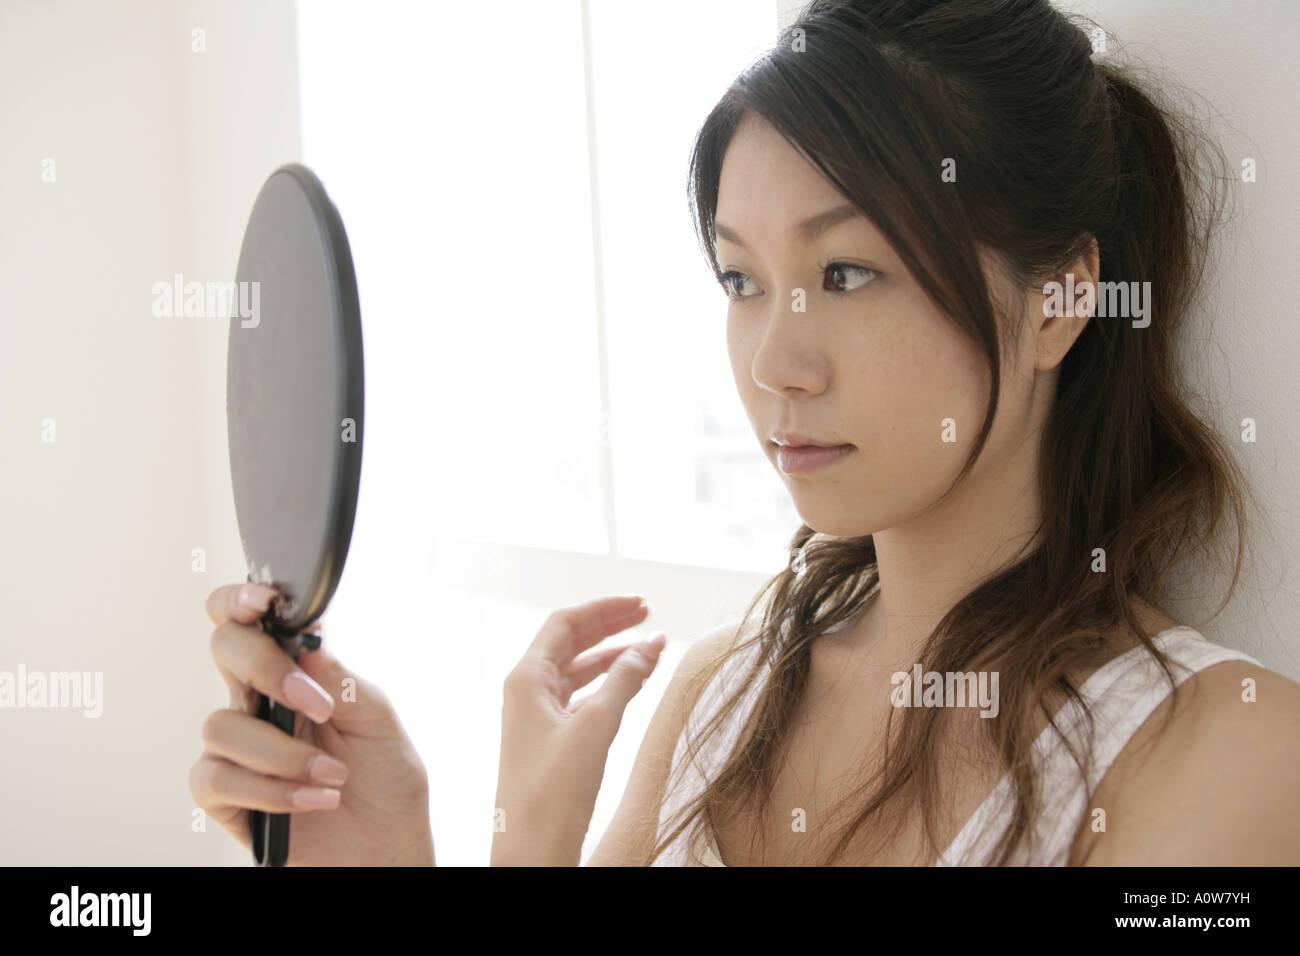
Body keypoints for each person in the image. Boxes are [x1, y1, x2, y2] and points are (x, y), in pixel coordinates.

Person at [189, 0, 1300, 866]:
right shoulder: (723, 698)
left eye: (845, 271)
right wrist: (400, 847)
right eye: (741, 279)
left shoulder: (1224, 760)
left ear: (1059, 297)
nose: (775, 362)